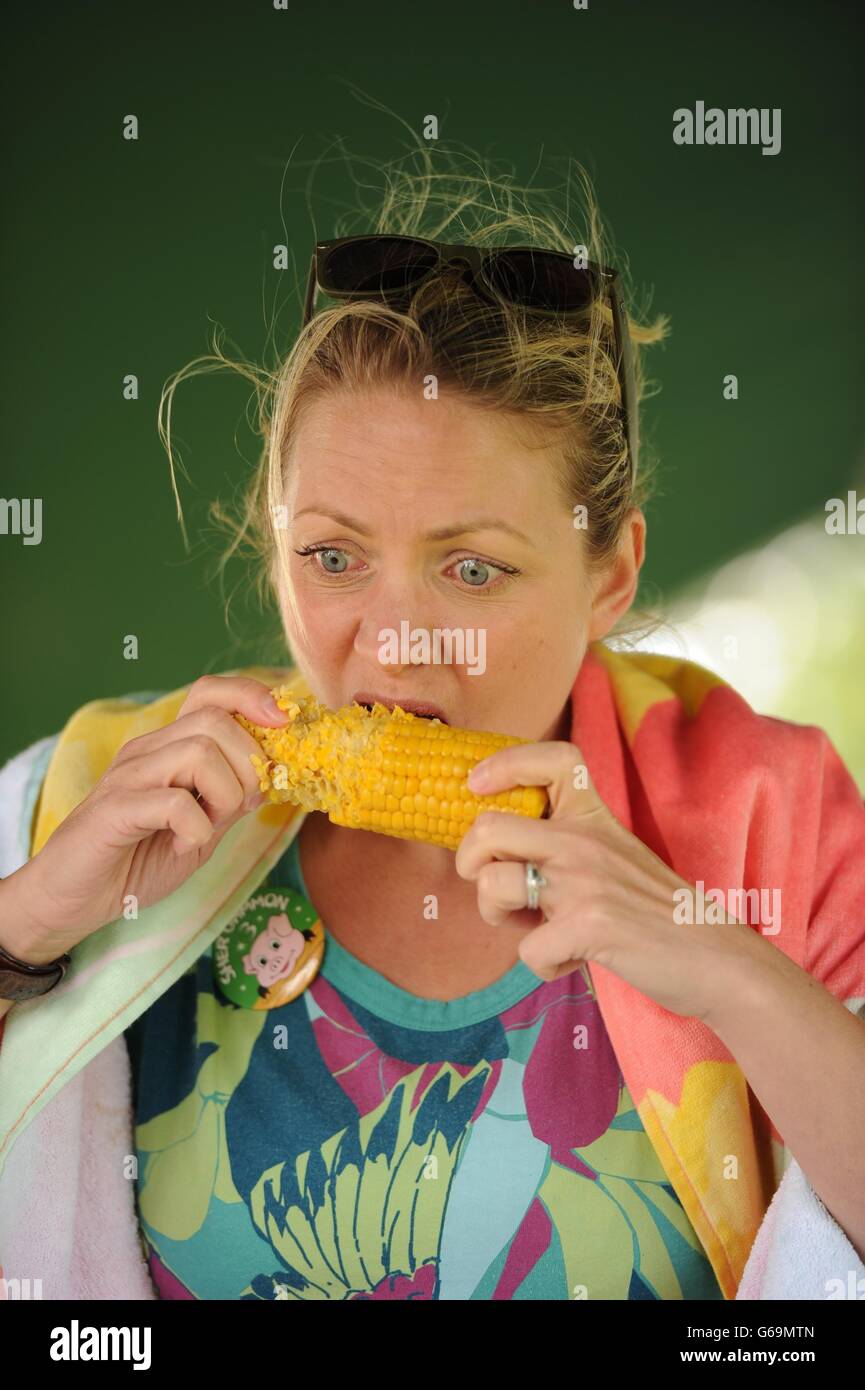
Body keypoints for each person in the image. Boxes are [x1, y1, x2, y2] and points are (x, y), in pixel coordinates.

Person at [1, 147, 864, 1303]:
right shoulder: (83, 797)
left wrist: (727, 968)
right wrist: (32, 918)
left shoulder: (775, 815)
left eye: (471, 568)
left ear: (611, 574)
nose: (396, 639)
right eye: (332, 556)